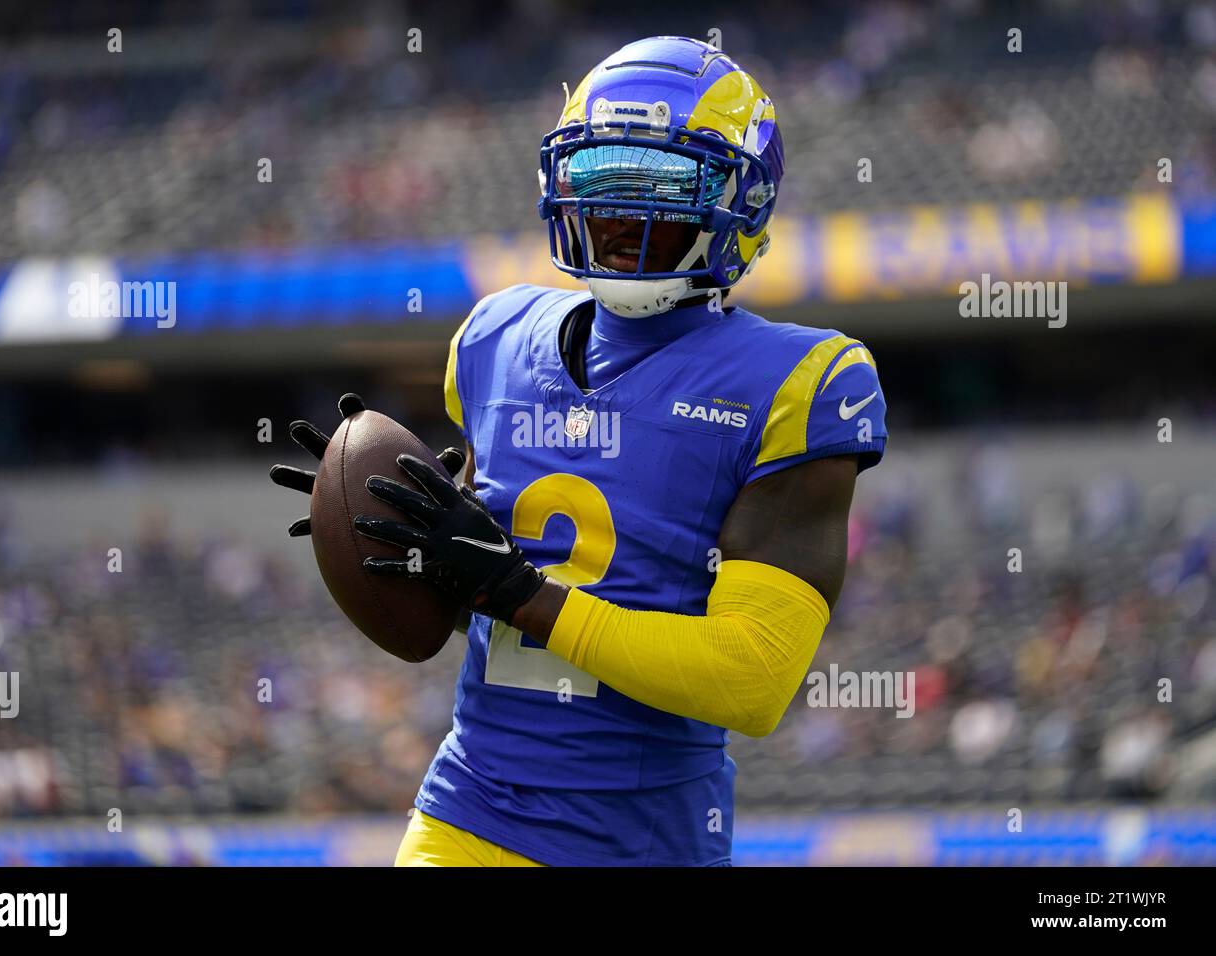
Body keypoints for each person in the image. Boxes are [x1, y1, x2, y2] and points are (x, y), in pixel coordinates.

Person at [272, 36, 887, 866]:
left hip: (646, 840)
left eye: (665, 186)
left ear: (740, 203)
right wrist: (400, 541)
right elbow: (474, 601)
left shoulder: (800, 380)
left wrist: (522, 593)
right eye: (603, 181)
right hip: (469, 811)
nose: (627, 216)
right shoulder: (492, 339)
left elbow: (753, 681)